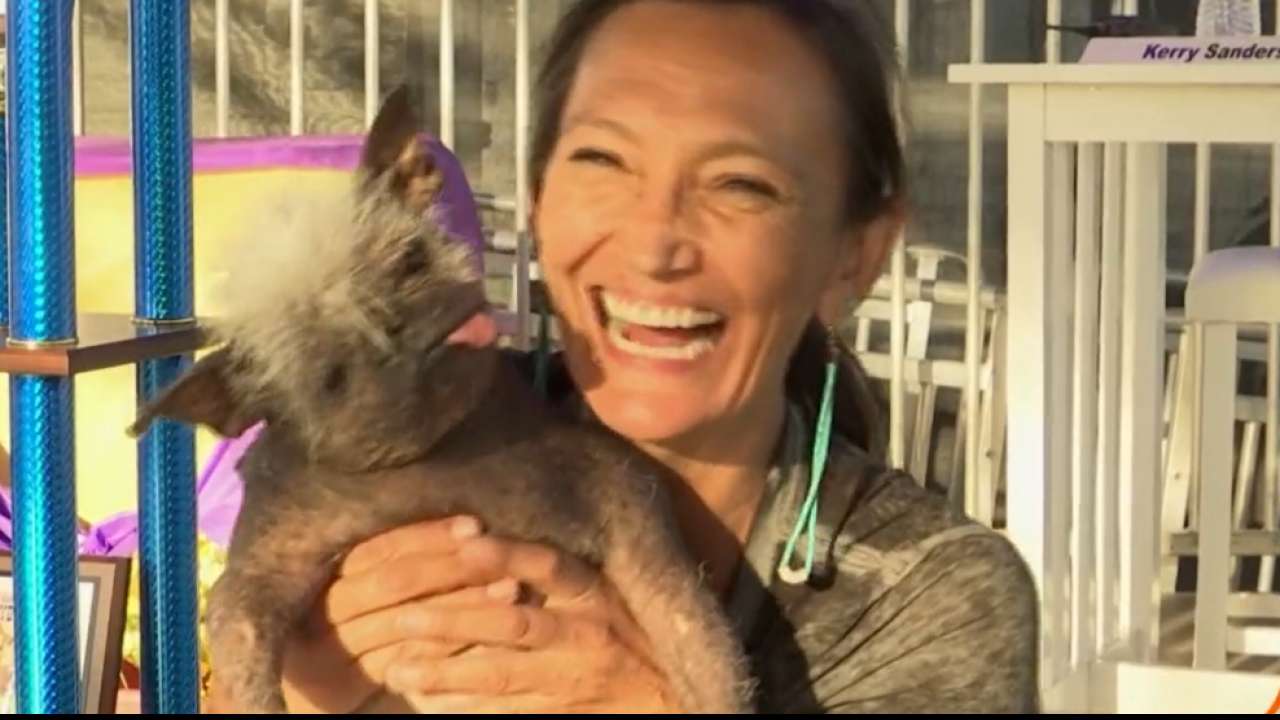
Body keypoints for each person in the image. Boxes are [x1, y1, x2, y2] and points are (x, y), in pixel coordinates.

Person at [242, 0, 1040, 713]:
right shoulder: (355, 453)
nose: (655, 245)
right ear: (539, 200)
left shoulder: (926, 597)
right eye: (603, 161)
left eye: (742, 185)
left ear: (854, 255)